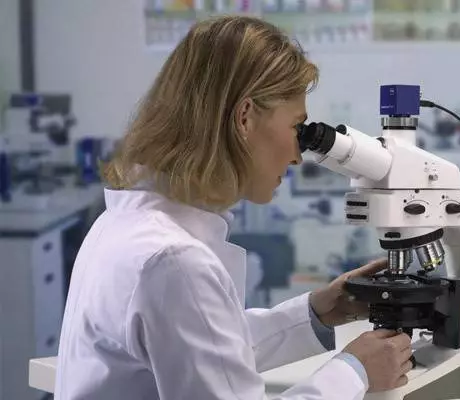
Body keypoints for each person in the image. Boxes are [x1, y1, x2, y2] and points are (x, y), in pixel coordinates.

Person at [55, 15, 413, 400]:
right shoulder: (174, 262)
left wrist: (320, 312)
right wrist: (355, 372)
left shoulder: (124, 224)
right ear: (244, 118)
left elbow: (207, 347)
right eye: (297, 128)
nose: (298, 155)